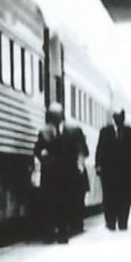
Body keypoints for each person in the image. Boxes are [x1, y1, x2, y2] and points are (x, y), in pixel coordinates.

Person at [33, 102, 87, 243]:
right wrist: (42, 154)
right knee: (49, 205)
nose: (54, 117)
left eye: (56, 115)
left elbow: (82, 150)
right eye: (52, 115)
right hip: (50, 175)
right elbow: (37, 150)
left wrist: (79, 165)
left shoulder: (74, 130)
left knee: (64, 204)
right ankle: (49, 235)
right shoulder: (43, 132)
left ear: (62, 115)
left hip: (67, 175)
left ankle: (63, 234)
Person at [95, 109, 131, 231]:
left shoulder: (129, 132)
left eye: (120, 117)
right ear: (114, 118)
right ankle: (110, 222)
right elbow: (99, 149)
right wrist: (98, 165)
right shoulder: (105, 131)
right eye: (116, 117)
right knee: (109, 197)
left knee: (124, 197)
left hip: (125, 172)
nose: (118, 119)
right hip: (108, 171)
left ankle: (123, 222)